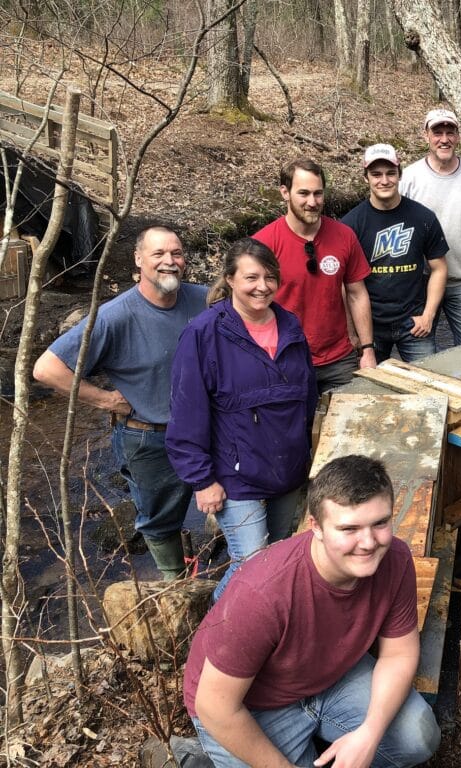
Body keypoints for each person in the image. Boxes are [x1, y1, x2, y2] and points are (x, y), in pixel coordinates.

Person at [184, 455, 441, 767]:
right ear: (315, 527)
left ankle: (323, 741)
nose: (368, 543)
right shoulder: (262, 592)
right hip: (248, 705)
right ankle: (198, 756)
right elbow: (215, 707)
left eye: (380, 523)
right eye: (349, 528)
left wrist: (369, 733)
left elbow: (399, 653)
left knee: (418, 736)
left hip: (328, 678)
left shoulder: (395, 559)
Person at [33, 226, 207, 580]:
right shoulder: (115, 316)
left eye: (176, 253)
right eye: (158, 254)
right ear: (139, 259)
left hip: (207, 430)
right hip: (150, 438)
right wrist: (106, 400)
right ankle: (176, 583)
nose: (169, 261)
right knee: (160, 521)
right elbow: (47, 369)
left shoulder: (204, 300)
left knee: (229, 497)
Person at [167, 238, 318, 600]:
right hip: (235, 474)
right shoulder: (204, 333)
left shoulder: (290, 325)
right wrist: (202, 480)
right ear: (230, 279)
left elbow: (307, 395)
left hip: (287, 467)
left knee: (278, 557)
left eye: (270, 277)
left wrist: (307, 454)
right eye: (251, 277)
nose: (262, 287)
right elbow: (187, 411)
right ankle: (214, 628)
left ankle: (264, 627)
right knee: (251, 564)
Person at [253, 157, 377, 394]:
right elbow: (250, 304)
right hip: (286, 358)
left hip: (339, 358)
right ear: (285, 192)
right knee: (294, 418)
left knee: (350, 414)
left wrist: (367, 349)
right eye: (304, 193)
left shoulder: (344, 236)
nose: (312, 202)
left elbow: (357, 294)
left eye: (318, 193)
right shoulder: (264, 244)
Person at [399, 108, 461, 346]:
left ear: (458, 136)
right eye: (437, 132)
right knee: (421, 354)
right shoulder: (408, 179)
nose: (444, 139)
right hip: (420, 283)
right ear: (426, 135)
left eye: (450, 132)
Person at [342, 144, 449, 362]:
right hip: (370, 325)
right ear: (366, 178)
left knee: (428, 379)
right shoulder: (351, 224)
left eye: (390, 173)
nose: (384, 180)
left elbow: (439, 268)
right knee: (369, 382)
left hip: (414, 322)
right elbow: (344, 285)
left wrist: (428, 315)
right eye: (376, 174)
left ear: (400, 175)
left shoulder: (423, 217)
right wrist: (352, 332)